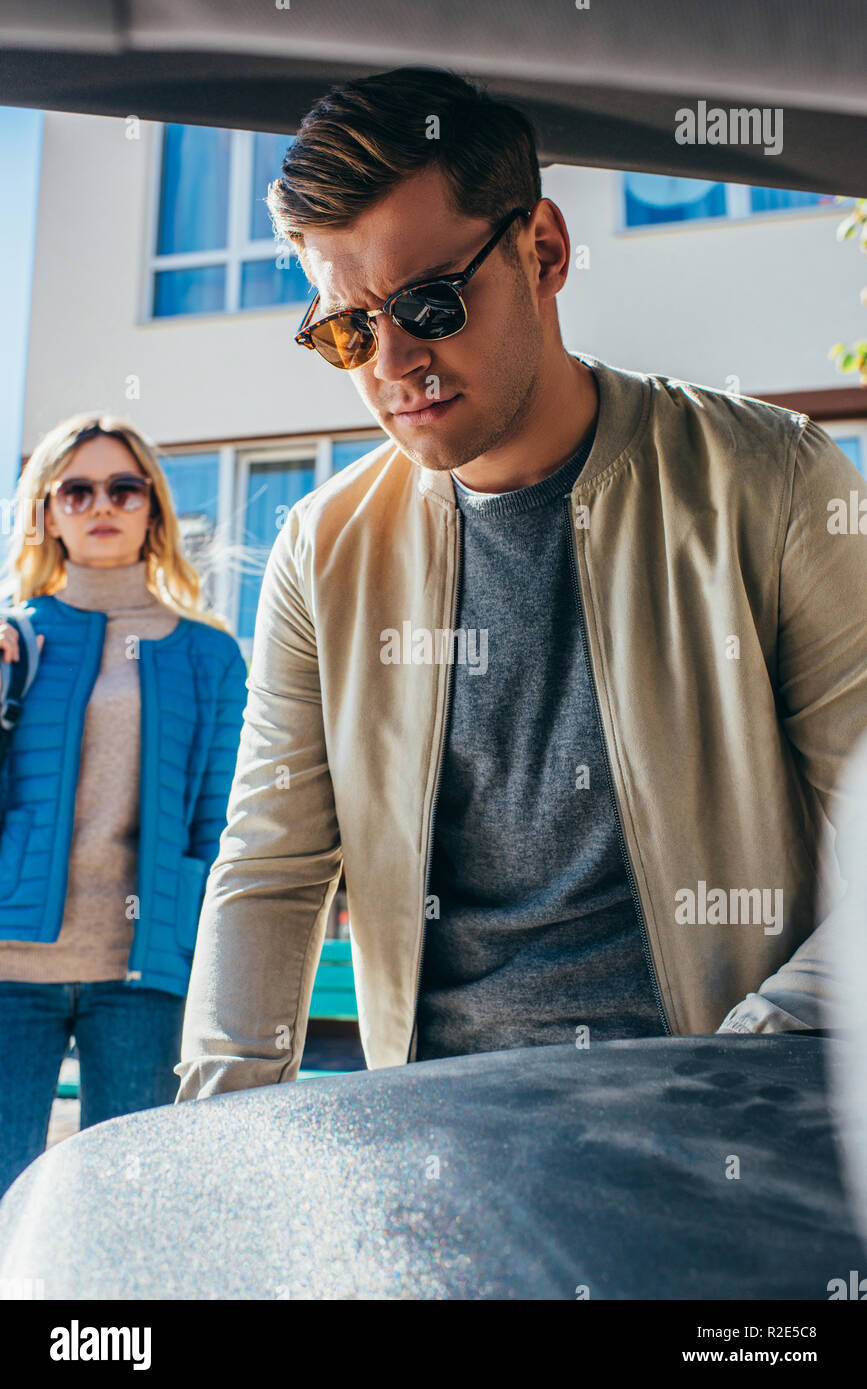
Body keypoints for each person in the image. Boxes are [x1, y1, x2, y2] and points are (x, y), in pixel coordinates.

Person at [174, 67, 867, 1102]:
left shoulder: (774, 480)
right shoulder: (322, 550)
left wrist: (748, 1064)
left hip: (726, 1121)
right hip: (447, 1145)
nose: (394, 364)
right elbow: (269, 873)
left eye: (429, 301)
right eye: (347, 331)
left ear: (543, 249)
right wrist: (208, 1150)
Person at [0, 414, 248, 1194]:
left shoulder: (209, 653)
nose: (99, 503)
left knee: (127, 1202)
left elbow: (223, 826)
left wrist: (204, 959)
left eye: (122, 487)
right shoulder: (13, 640)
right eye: (75, 489)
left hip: (144, 970)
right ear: (46, 511)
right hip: (10, 966)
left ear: (152, 509)